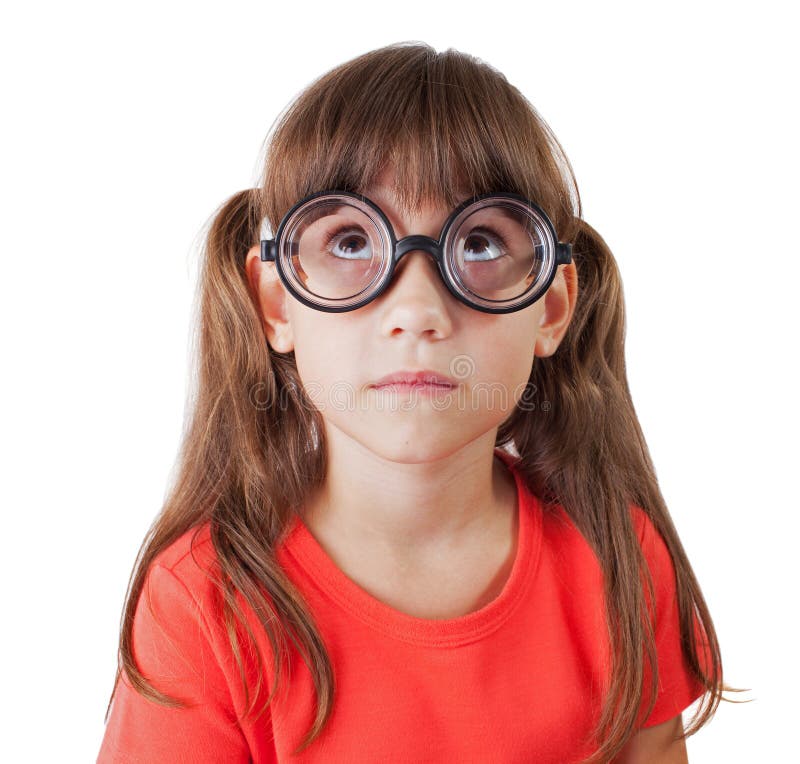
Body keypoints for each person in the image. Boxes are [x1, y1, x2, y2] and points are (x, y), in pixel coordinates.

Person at [97, 42, 737, 763]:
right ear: (275, 302)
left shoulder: (617, 558)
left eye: (480, 245)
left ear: (551, 307)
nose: (417, 310)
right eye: (349, 240)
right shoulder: (205, 603)